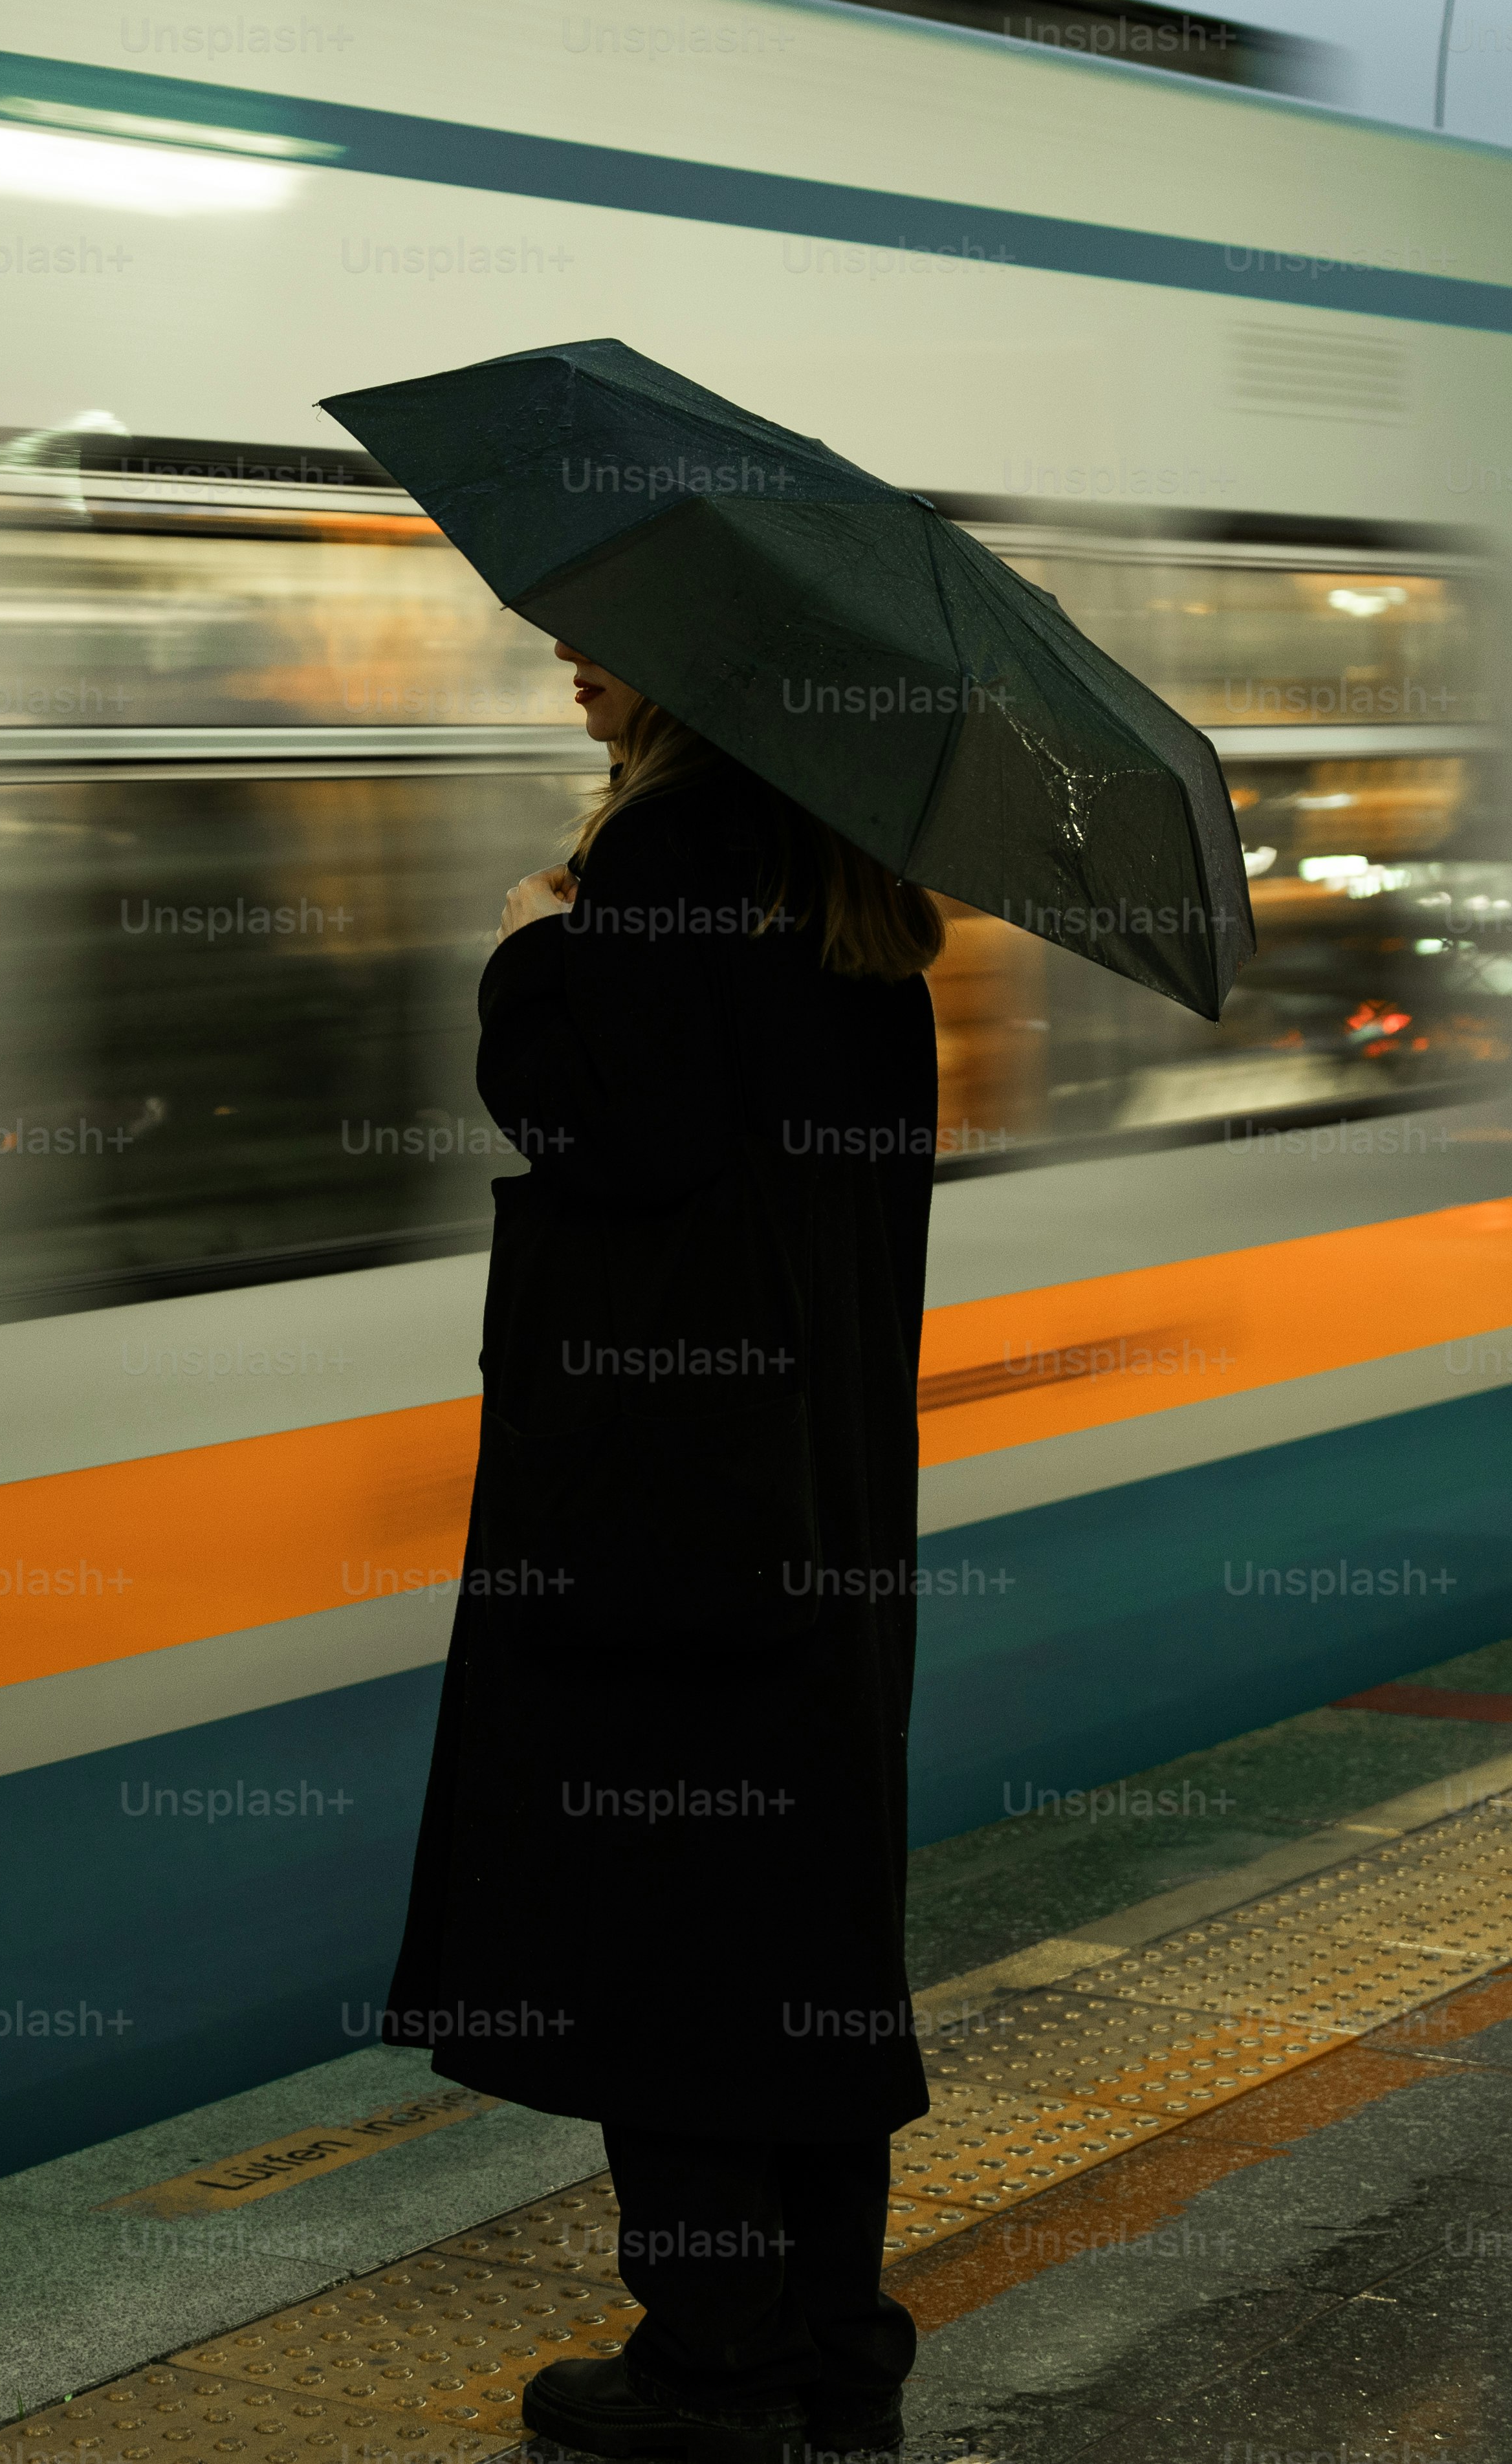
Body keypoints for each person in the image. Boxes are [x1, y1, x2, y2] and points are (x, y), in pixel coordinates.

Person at [381, 640, 947, 2464]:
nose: (575, 662)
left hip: (665, 1513)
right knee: (803, 1938)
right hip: (817, 1502)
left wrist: (534, 940)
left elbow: (611, 1136)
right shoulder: (845, 884)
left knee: (664, 1943)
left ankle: (709, 2360)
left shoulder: (666, 861)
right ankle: (834, 2345)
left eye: (608, 644)